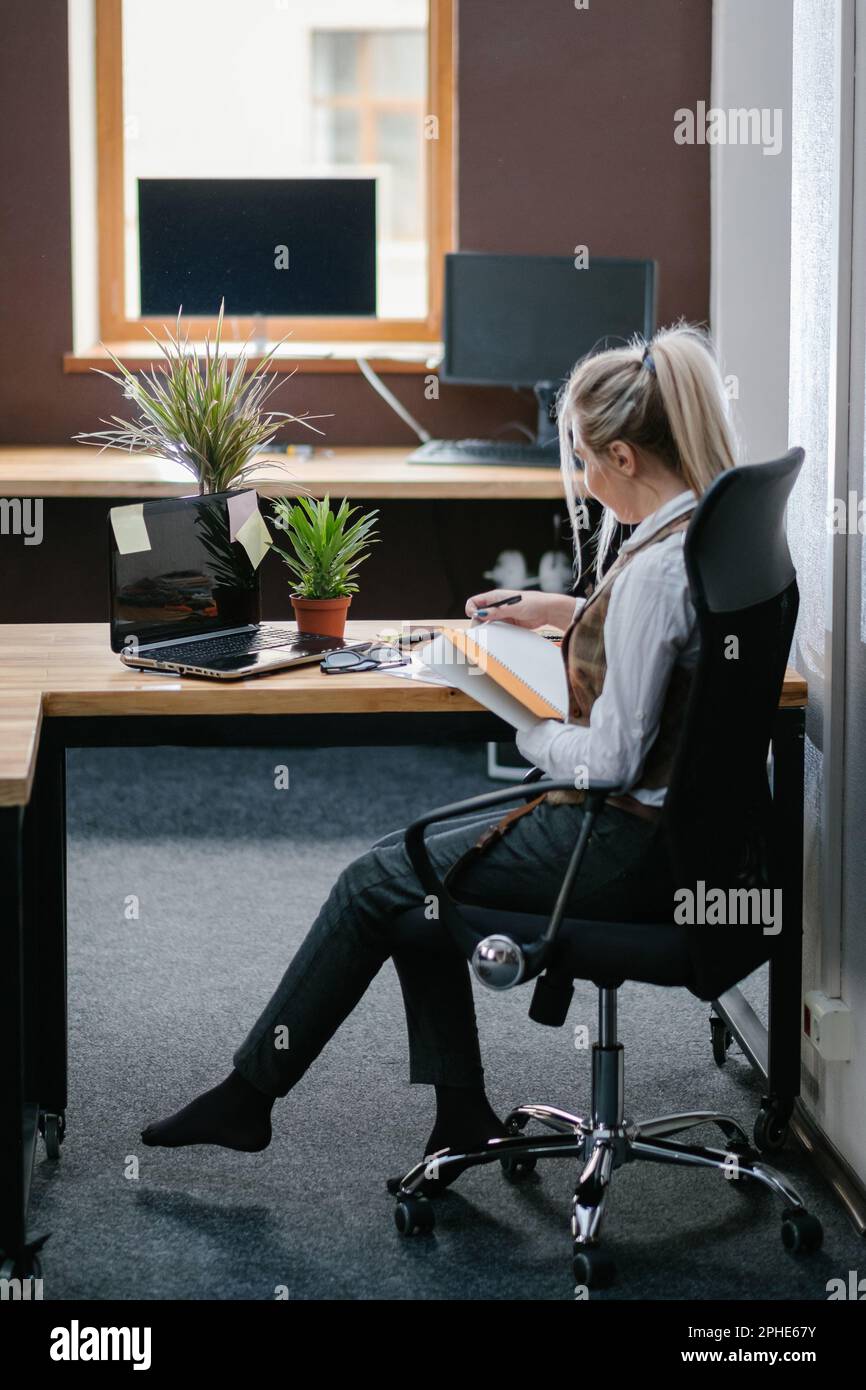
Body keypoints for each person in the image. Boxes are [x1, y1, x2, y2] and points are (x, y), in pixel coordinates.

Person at [142, 323, 738, 1182]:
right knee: (407, 872)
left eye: (583, 458)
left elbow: (608, 759)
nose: (583, 476)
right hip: (681, 834)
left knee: (377, 878)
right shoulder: (705, 532)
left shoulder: (651, 572)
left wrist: (513, 713)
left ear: (623, 455)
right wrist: (560, 613)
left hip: (621, 846)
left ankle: (248, 1099)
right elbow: (669, 652)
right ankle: (459, 1115)